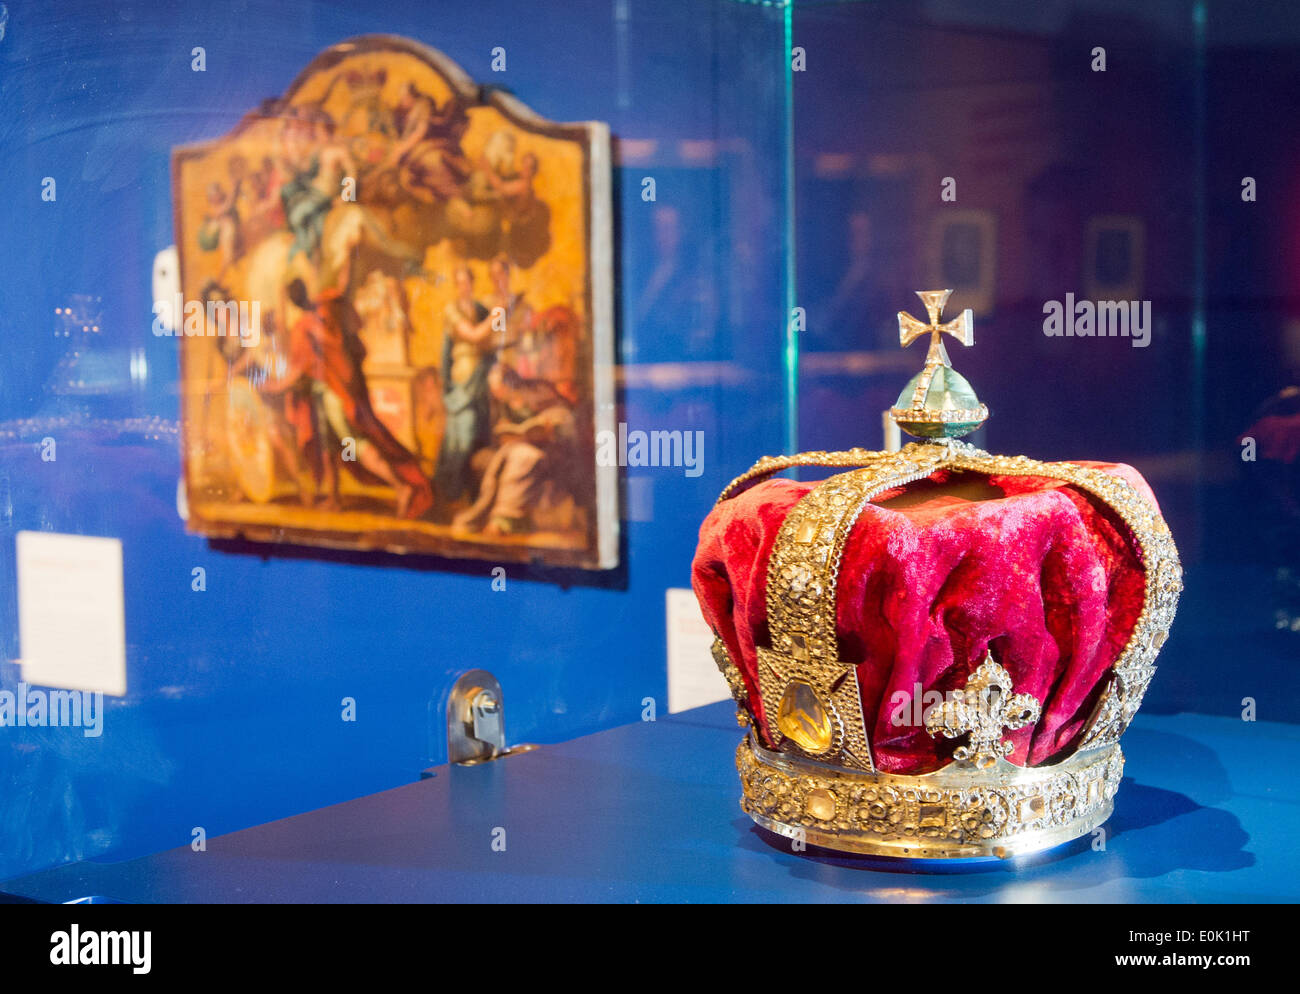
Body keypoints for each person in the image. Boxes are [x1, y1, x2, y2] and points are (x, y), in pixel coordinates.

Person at [279, 278, 433, 518]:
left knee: (354, 444)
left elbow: (299, 369)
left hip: (331, 399)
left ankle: (400, 486)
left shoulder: (304, 326)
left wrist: (274, 386)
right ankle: (334, 497)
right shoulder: (324, 315)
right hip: (330, 399)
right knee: (331, 448)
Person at [434, 265, 497, 503]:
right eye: (459, 283)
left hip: (482, 378)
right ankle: (450, 492)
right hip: (463, 378)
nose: (464, 287)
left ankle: (474, 494)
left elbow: (495, 337)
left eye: (467, 282)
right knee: (463, 433)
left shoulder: (481, 309)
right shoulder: (452, 310)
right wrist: (497, 315)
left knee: (481, 434)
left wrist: (500, 318)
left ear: (472, 283)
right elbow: (473, 335)